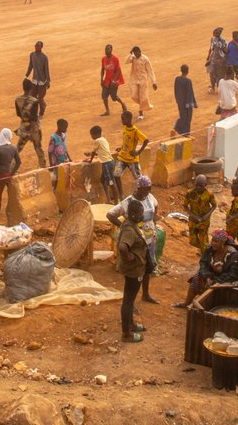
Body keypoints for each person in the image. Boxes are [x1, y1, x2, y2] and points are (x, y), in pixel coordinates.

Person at [107, 176, 160, 306]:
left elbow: (156, 207)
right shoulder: (127, 202)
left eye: (149, 188)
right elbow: (110, 214)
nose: (149, 190)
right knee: (133, 274)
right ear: (139, 188)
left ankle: (145, 294)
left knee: (147, 269)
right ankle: (130, 303)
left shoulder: (150, 197)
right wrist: (123, 227)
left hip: (149, 241)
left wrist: (153, 223)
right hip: (134, 244)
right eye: (146, 188)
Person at [177, 229, 238, 308]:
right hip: (211, 275)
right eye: (212, 240)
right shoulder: (209, 249)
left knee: (219, 289)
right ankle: (187, 303)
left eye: (216, 241)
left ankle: (208, 307)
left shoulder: (232, 254)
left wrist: (215, 281)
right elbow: (203, 263)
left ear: (223, 242)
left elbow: (233, 275)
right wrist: (207, 277)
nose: (213, 243)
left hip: (226, 279)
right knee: (197, 278)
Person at [115, 198, 149, 343]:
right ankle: (126, 334)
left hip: (135, 268)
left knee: (129, 299)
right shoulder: (129, 228)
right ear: (134, 214)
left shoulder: (131, 224)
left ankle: (131, 325)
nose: (142, 215)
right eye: (140, 213)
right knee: (128, 301)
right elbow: (123, 247)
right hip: (133, 270)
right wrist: (129, 258)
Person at [114, 110, 149, 196]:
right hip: (122, 157)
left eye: (123, 119)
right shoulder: (124, 127)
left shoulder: (135, 131)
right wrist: (122, 147)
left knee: (139, 179)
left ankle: (141, 195)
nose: (122, 121)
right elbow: (126, 139)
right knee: (116, 175)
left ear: (129, 119)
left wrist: (138, 152)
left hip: (132, 159)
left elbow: (146, 141)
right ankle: (121, 195)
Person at [14, 79, 46, 168]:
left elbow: (18, 114)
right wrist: (41, 114)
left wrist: (25, 119)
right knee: (38, 148)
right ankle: (42, 167)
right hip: (34, 129)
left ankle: (11, 166)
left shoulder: (17, 100)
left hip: (24, 128)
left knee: (18, 148)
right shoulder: (34, 101)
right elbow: (34, 117)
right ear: (31, 88)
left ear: (23, 88)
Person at [0, 128, 21, 216]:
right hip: (8, 174)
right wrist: (12, 173)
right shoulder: (13, 148)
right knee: (13, 194)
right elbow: (19, 162)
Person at [182, 174, 216, 251]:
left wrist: (207, 216)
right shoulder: (190, 193)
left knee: (203, 241)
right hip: (193, 221)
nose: (198, 188)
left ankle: (205, 253)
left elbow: (214, 205)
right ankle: (207, 249)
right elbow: (185, 206)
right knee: (192, 241)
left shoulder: (209, 194)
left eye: (201, 186)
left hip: (204, 222)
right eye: (197, 185)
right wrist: (193, 216)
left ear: (205, 185)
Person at [85, 124, 117, 203]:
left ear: (95, 134)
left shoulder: (97, 141)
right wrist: (90, 154)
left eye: (92, 135)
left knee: (111, 182)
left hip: (107, 164)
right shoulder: (103, 139)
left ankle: (116, 201)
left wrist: (90, 160)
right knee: (102, 180)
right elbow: (101, 151)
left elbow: (94, 152)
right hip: (109, 162)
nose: (91, 137)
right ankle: (108, 199)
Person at [125, 46, 157, 120]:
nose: (136, 55)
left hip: (143, 80)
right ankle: (146, 105)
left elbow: (150, 70)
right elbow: (126, 62)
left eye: (137, 53)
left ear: (140, 51)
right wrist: (130, 54)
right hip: (134, 79)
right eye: (135, 53)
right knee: (134, 96)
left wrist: (154, 82)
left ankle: (141, 113)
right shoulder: (133, 57)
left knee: (142, 97)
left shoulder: (145, 59)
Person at [100, 44, 128, 117]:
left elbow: (118, 71)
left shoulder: (115, 59)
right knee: (104, 96)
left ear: (111, 50)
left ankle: (123, 104)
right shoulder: (103, 59)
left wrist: (114, 81)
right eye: (106, 49)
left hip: (113, 81)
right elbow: (102, 70)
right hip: (106, 81)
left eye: (108, 49)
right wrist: (101, 79)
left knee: (114, 97)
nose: (106, 51)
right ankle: (107, 111)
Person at [25, 41, 51, 116]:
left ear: (41, 47)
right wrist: (26, 76)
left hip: (42, 81)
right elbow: (30, 66)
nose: (36, 47)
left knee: (40, 98)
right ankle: (39, 108)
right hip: (34, 80)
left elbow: (46, 69)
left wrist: (48, 81)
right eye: (35, 46)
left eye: (38, 46)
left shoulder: (44, 57)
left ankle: (41, 112)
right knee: (33, 97)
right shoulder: (32, 55)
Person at [172, 64, 198, 137]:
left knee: (182, 116)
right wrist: (191, 104)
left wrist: (177, 99)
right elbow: (190, 93)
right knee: (187, 118)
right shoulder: (188, 81)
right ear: (187, 71)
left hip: (180, 101)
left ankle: (177, 129)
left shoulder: (177, 79)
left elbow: (175, 90)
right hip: (187, 103)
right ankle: (184, 132)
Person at [205, 27, 228, 92]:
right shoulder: (212, 38)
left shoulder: (223, 40)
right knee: (211, 73)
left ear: (219, 34)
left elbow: (225, 49)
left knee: (220, 74)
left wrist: (227, 58)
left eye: (215, 33)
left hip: (221, 60)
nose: (214, 34)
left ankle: (219, 87)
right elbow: (211, 48)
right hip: (213, 58)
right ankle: (212, 86)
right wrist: (208, 56)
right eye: (213, 33)